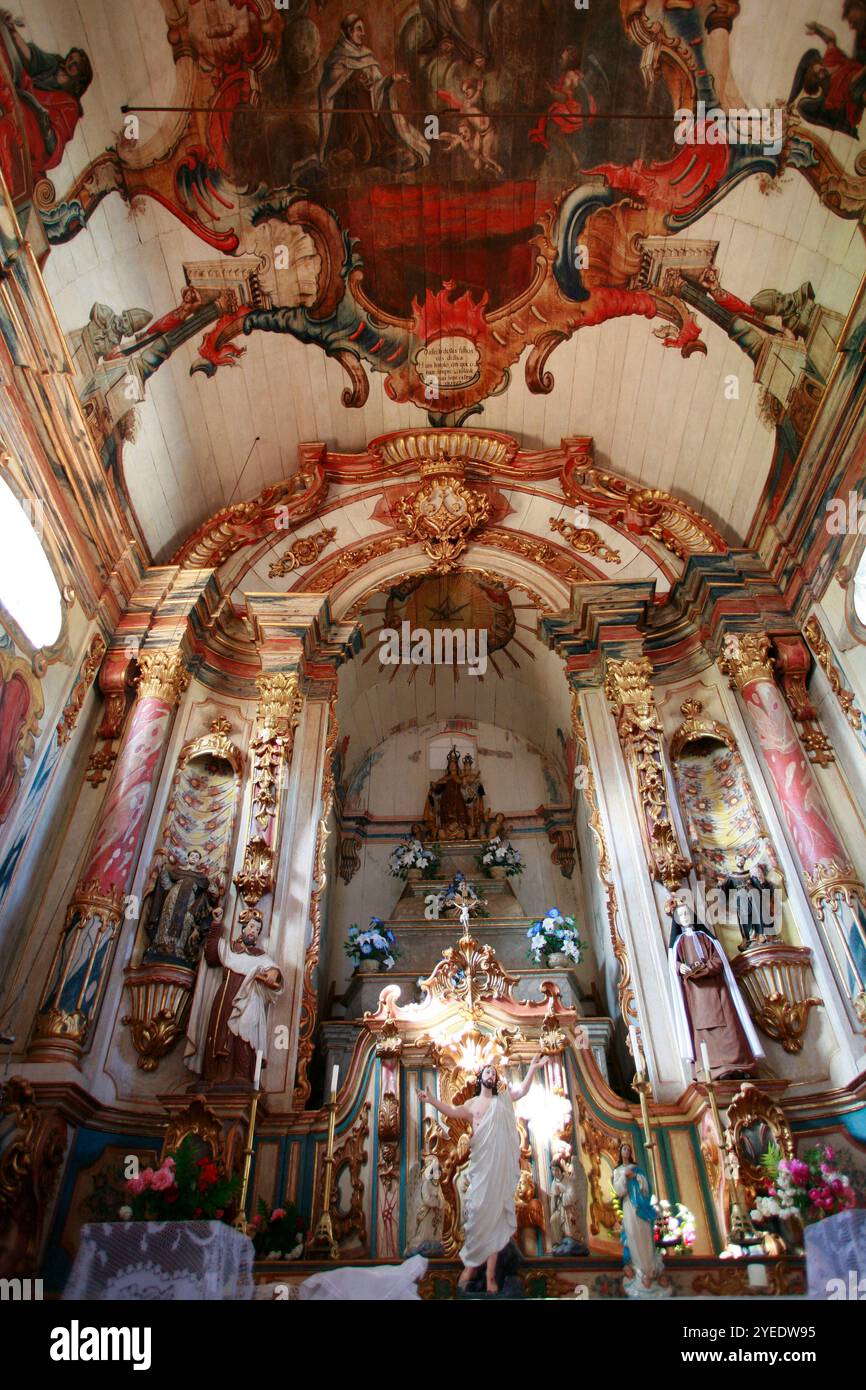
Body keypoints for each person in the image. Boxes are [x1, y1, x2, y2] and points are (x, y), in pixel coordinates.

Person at [419, 1054, 547, 1293]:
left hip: (497, 1169)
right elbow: (451, 1110)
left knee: (496, 1222)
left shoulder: (501, 1101)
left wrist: (531, 1068)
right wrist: (431, 1100)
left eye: (493, 1072)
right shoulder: (472, 1105)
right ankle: (469, 1268)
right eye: (487, 1071)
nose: (491, 1074)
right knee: (478, 1218)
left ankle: (490, 1278)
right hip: (480, 1170)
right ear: (480, 1078)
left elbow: (522, 1092)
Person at [318, 14, 428, 173]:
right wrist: (353, 82)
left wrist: (390, 79)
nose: (362, 33)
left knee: (380, 145)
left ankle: (381, 152)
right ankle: (355, 153)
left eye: (362, 29)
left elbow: (377, 85)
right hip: (348, 123)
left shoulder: (366, 55)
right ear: (348, 31)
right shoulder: (337, 59)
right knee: (355, 153)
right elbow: (328, 91)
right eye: (358, 29)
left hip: (370, 120)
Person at [668, 896, 763, 1080]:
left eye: (687, 913)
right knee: (703, 1026)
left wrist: (703, 969)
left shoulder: (706, 938)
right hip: (697, 994)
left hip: (716, 988)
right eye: (681, 915)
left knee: (728, 1022)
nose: (685, 917)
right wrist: (681, 967)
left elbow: (719, 960)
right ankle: (711, 1067)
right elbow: (674, 964)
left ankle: (738, 1063)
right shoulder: (678, 943)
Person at [0, 10, 92, 180]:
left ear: (79, 80)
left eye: (74, 65)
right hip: (24, 93)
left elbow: (58, 137)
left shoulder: (70, 105)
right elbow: (33, 58)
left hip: (36, 126)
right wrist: (11, 31)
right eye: (70, 58)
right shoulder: (56, 64)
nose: (68, 63)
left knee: (16, 109)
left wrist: (48, 130)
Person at [612, 1142, 668, 1297]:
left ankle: (649, 1271)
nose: (626, 1151)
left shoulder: (638, 1169)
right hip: (629, 1205)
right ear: (620, 1151)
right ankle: (639, 1272)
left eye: (629, 1149)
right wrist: (624, 1176)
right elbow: (619, 1190)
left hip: (641, 1207)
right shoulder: (618, 1171)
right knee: (633, 1235)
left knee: (645, 1236)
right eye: (624, 1148)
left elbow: (646, 1188)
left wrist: (636, 1176)